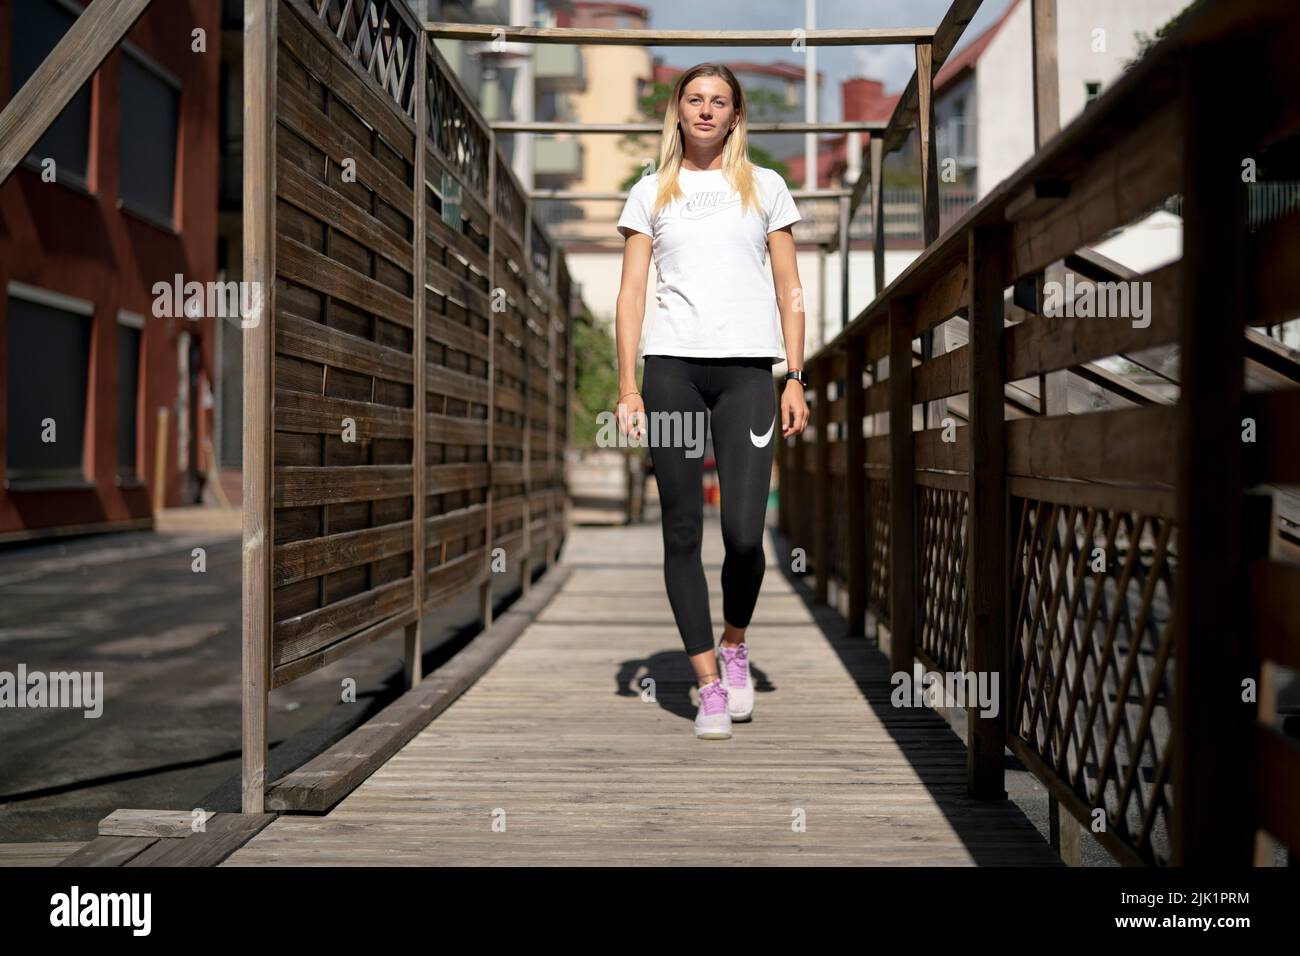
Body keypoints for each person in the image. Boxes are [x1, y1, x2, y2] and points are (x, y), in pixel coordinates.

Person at [613, 63, 811, 740]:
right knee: (680, 530)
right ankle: (708, 686)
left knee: (744, 535)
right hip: (671, 370)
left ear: (734, 115)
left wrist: (796, 375)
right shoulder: (649, 194)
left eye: (718, 101)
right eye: (694, 99)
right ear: (679, 111)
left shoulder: (766, 188)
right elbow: (632, 295)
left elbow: (789, 284)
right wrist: (628, 386)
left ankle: (734, 644)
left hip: (750, 374)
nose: (705, 110)